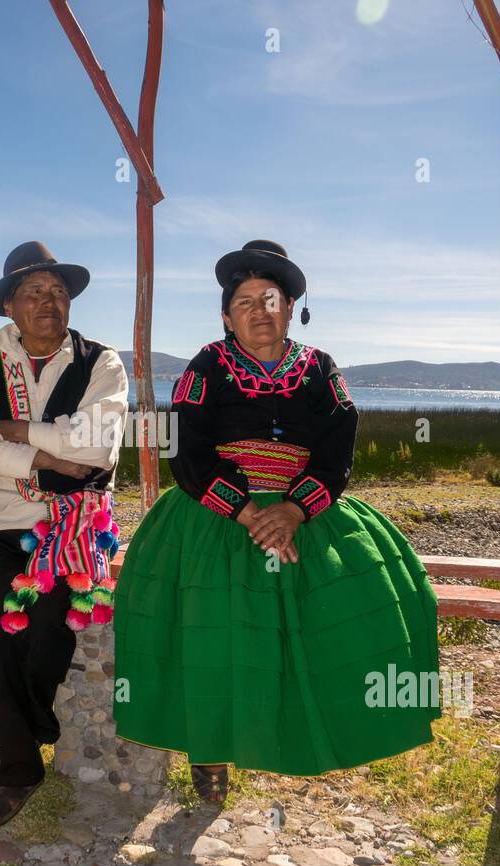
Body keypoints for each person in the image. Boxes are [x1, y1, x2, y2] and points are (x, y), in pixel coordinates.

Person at [111, 240, 440, 804]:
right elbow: (187, 456)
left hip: (303, 508)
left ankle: (326, 727)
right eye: (243, 302)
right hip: (215, 514)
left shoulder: (320, 369)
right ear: (225, 315)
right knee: (209, 629)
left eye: (271, 299)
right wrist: (249, 513)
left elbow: (337, 450)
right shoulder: (206, 367)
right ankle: (210, 748)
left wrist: (292, 510)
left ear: (290, 308)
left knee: (370, 603)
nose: (258, 311)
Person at [0, 240, 129, 826]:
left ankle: (28, 729)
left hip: (74, 524)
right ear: (9, 306)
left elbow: (98, 440)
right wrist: (46, 459)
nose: (50, 301)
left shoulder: (102, 362)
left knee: (52, 625)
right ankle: (20, 767)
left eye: (58, 291)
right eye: (35, 292)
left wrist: (17, 430)